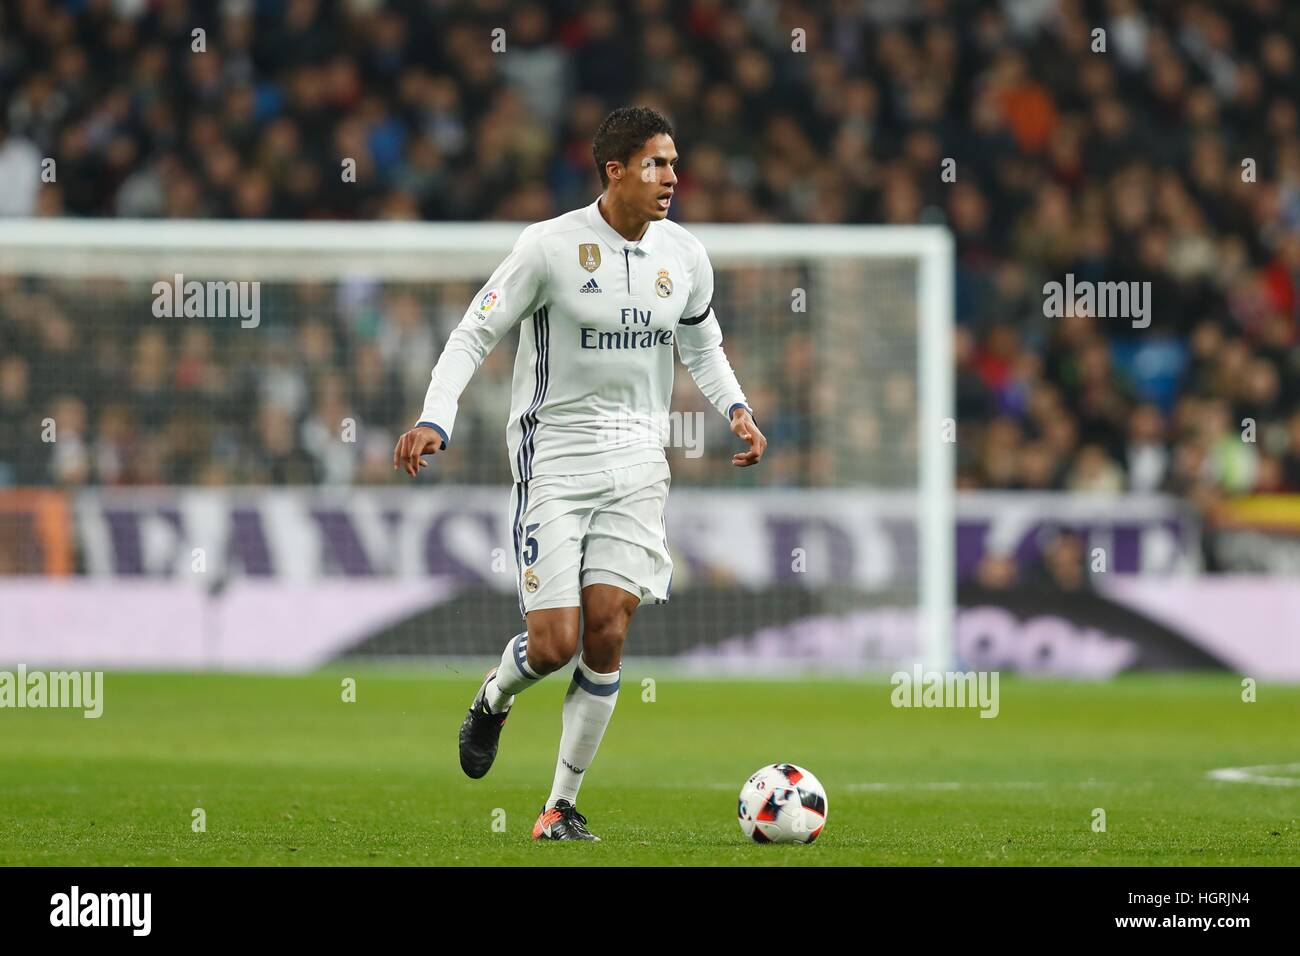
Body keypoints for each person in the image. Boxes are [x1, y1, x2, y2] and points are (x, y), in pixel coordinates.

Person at [393, 106, 766, 840]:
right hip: (555, 458)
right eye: (656, 163)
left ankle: (559, 805)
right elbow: (474, 332)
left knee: (606, 633)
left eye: (675, 162)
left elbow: (703, 344)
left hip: (639, 461)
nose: (672, 177)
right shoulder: (550, 248)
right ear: (615, 170)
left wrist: (738, 409)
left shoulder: (684, 255)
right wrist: (437, 414)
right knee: (554, 643)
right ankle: (496, 696)